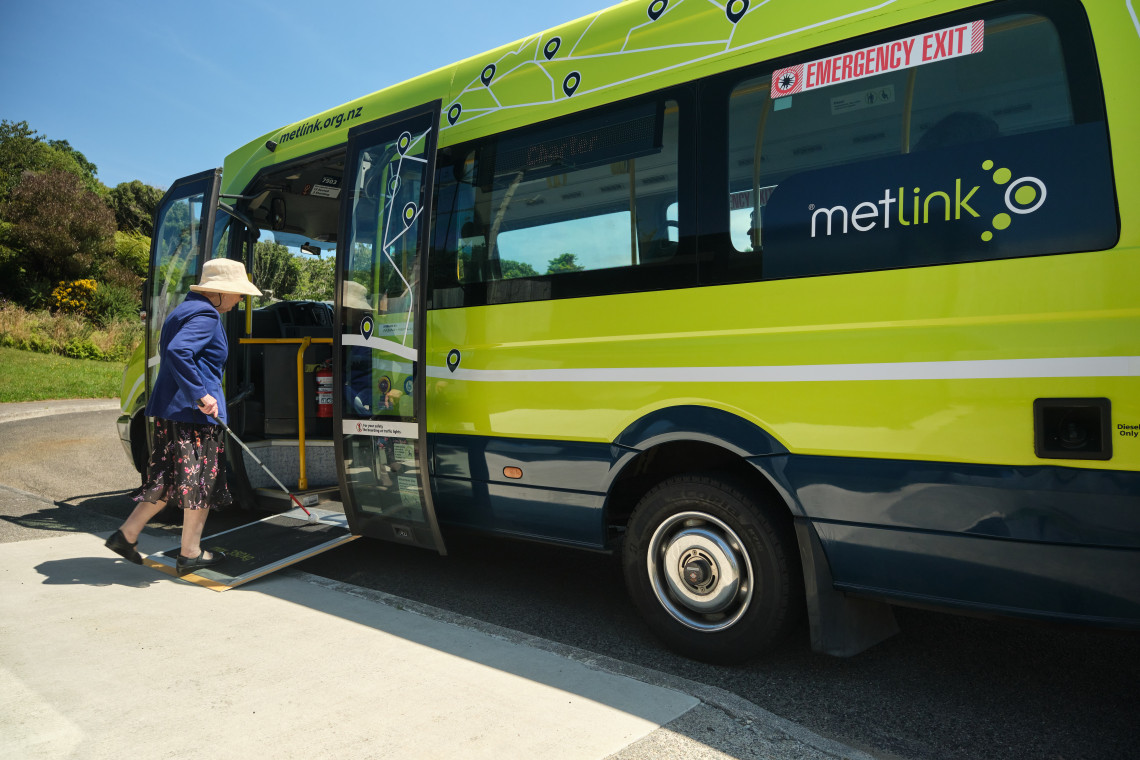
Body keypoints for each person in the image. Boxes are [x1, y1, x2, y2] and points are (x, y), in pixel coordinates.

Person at [105, 258, 262, 575]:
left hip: (174, 413)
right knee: (200, 482)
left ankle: (127, 534)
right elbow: (178, 352)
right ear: (218, 292)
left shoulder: (183, 309)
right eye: (237, 293)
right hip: (194, 416)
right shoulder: (206, 315)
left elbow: (171, 351)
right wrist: (201, 394)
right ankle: (190, 552)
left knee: (169, 480)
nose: (240, 300)